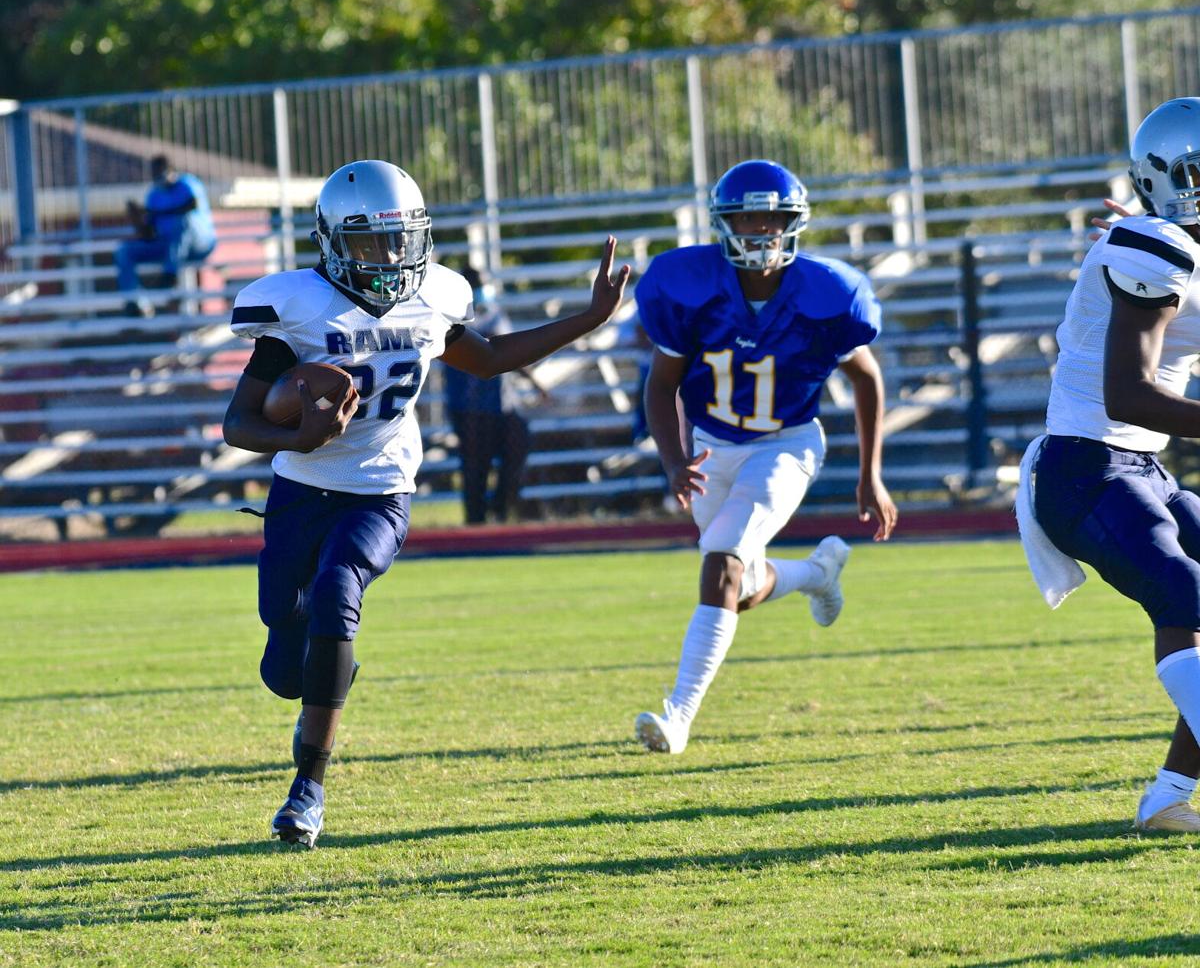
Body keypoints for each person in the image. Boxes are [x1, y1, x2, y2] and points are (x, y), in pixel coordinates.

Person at [223, 159, 629, 846]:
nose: (386, 257)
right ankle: (324, 666)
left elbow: (493, 356)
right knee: (284, 659)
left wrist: (587, 319)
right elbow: (238, 425)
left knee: (337, 589)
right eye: (366, 242)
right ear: (329, 241)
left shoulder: (433, 297)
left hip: (381, 490)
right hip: (300, 489)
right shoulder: (293, 306)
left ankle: (308, 787)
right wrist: (300, 429)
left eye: (397, 239)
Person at [632, 159, 898, 754]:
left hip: (786, 444)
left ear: (792, 224)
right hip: (712, 446)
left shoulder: (829, 292)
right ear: (723, 223)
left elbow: (867, 379)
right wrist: (674, 459)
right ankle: (817, 575)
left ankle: (679, 716)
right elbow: (660, 384)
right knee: (740, 588)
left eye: (771, 219)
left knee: (720, 563)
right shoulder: (688, 286)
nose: (759, 231)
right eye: (746, 218)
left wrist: (870, 474)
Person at [1017, 96, 1200, 833]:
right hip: (1085, 468)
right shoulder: (1155, 246)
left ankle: (1167, 799)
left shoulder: (1159, 243)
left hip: (1142, 472)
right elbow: (1127, 392)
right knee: (1184, 592)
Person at [442, 265, 540, 524]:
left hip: (503, 402)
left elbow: (510, 353)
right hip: (469, 406)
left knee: (516, 452)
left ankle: (500, 511)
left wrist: (536, 384)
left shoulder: (495, 313)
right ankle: (476, 522)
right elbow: (490, 349)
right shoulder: (450, 316)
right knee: (475, 466)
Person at [115, 155, 216, 297]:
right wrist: (137, 219)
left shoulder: (187, 183)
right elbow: (149, 234)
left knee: (181, 223)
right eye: (154, 174)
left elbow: (192, 205)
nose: (157, 178)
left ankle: (170, 276)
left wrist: (156, 212)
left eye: (160, 173)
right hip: (170, 248)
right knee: (124, 251)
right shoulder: (154, 194)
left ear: (171, 171)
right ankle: (134, 301)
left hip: (199, 245)